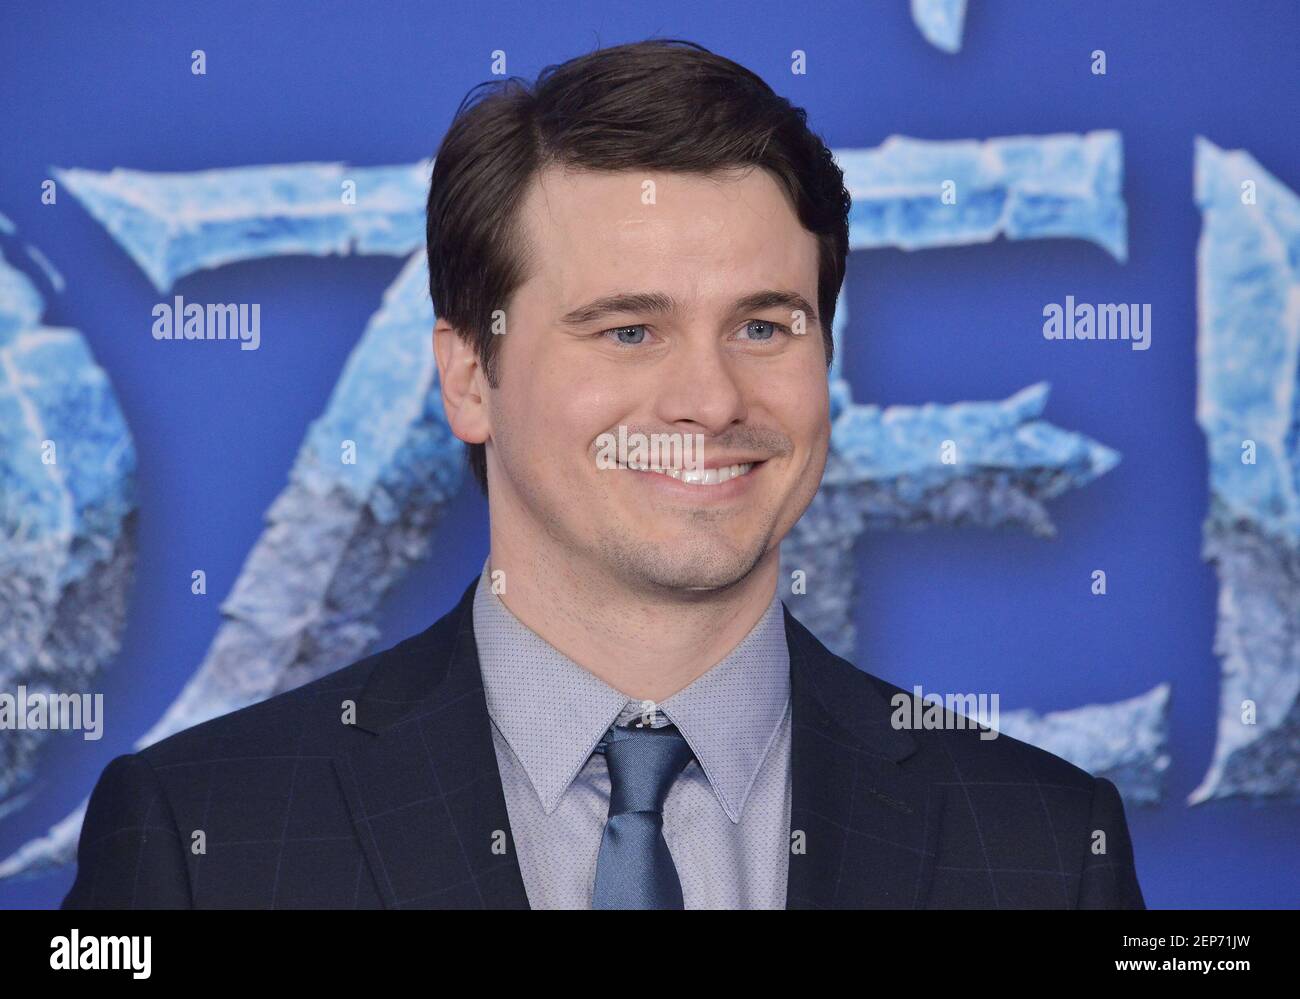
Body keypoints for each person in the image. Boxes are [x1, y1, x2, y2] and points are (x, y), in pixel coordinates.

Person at [62, 38, 1144, 910]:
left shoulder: (1046, 848)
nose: (712, 400)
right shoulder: (204, 839)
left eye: (764, 326)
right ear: (470, 377)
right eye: (628, 331)